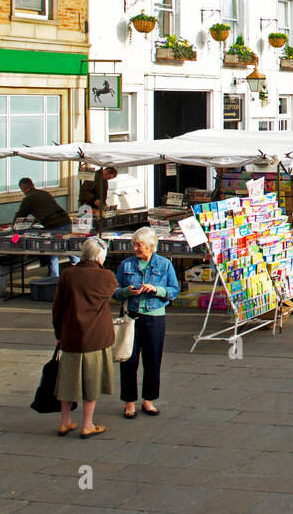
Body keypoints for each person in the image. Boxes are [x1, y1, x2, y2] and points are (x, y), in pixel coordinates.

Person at [51, 237, 117, 438]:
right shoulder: (106, 276)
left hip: (70, 336)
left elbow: (58, 308)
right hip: (96, 337)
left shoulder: (68, 275)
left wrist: (58, 334)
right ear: (99, 256)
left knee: (67, 381)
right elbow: (113, 293)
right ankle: (87, 424)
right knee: (92, 381)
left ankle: (65, 422)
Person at [113, 226, 177, 417]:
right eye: (134, 245)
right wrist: (127, 292)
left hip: (155, 317)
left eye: (139, 245)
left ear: (151, 245)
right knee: (128, 360)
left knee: (153, 360)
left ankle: (148, 400)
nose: (135, 249)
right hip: (131, 316)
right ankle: (129, 402)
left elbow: (174, 289)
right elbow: (115, 291)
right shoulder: (126, 265)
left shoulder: (165, 264)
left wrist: (157, 290)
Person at [16, 177, 79, 276]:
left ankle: (54, 279)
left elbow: (19, 217)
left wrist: (14, 236)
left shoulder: (28, 198)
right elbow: (48, 209)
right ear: (32, 185)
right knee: (70, 249)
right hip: (66, 221)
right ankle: (79, 273)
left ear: (24, 188)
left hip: (54, 226)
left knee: (52, 253)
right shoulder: (44, 193)